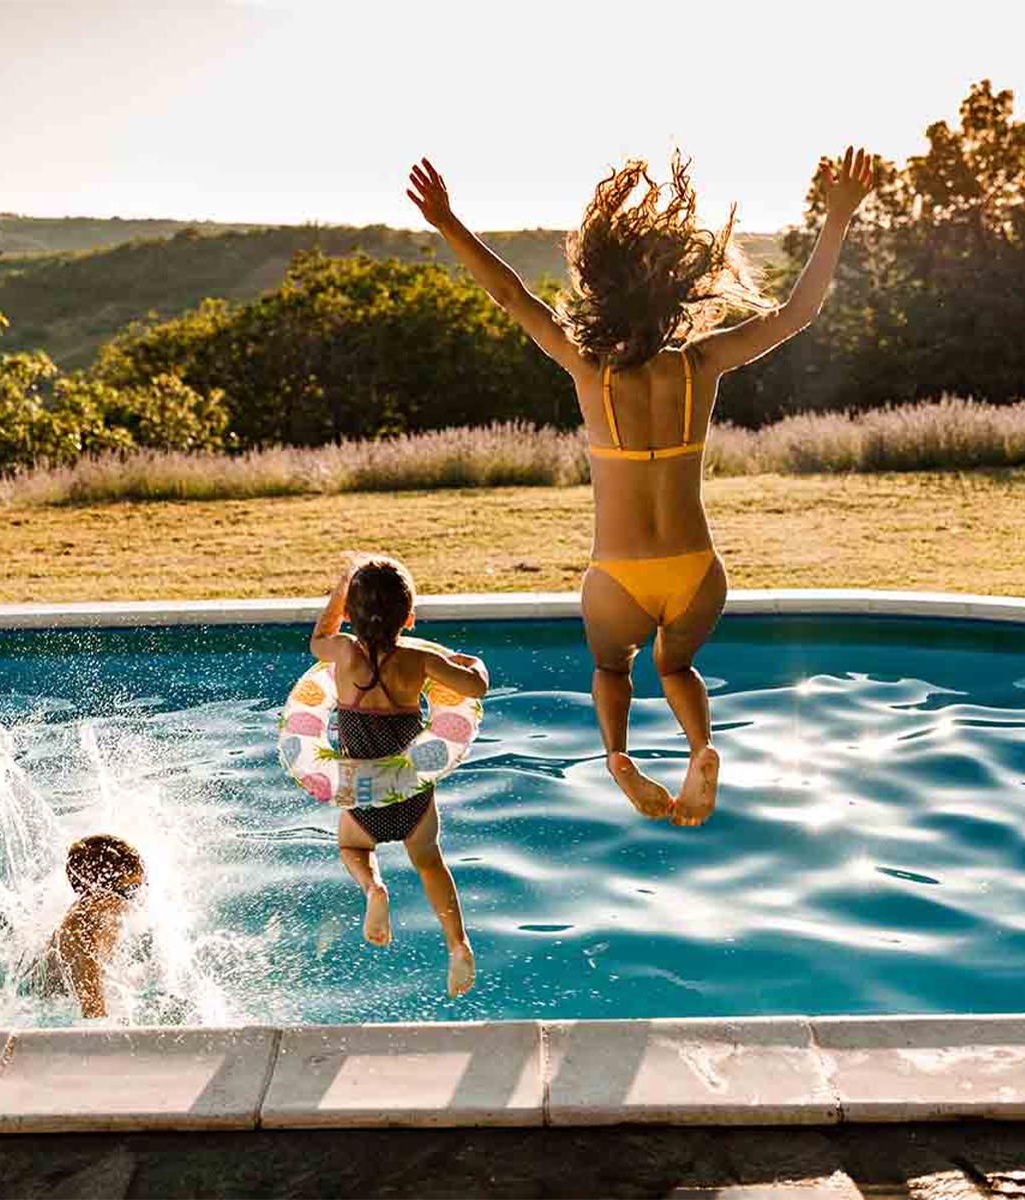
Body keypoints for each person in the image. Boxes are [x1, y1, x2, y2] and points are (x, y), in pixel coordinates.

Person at [406, 148, 876, 826]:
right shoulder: (701, 365)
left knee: (613, 668)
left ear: (603, 291)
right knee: (676, 667)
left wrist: (448, 223)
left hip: (618, 575)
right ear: (675, 295)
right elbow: (798, 312)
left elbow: (512, 295)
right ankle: (701, 747)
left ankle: (620, 757)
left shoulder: (588, 367)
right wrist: (836, 218)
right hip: (696, 573)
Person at [310, 553, 490, 998]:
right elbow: (475, 689)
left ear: (350, 614)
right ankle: (457, 944)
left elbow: (318, 638)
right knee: (429, 861)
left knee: (352, 846)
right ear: (409, 618)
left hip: (362, 791)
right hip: (411, 794)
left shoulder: (344, 654)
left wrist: (339, 591)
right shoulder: (418, 660)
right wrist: (474, 666)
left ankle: (373, 887)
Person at [26, 834, 146, 1019]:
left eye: (143, 886)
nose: (138, 899)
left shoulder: (104, 918)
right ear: (95, 893)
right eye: (130, 891)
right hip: (35, 1007)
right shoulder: (81, 931)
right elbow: (93, 1015)